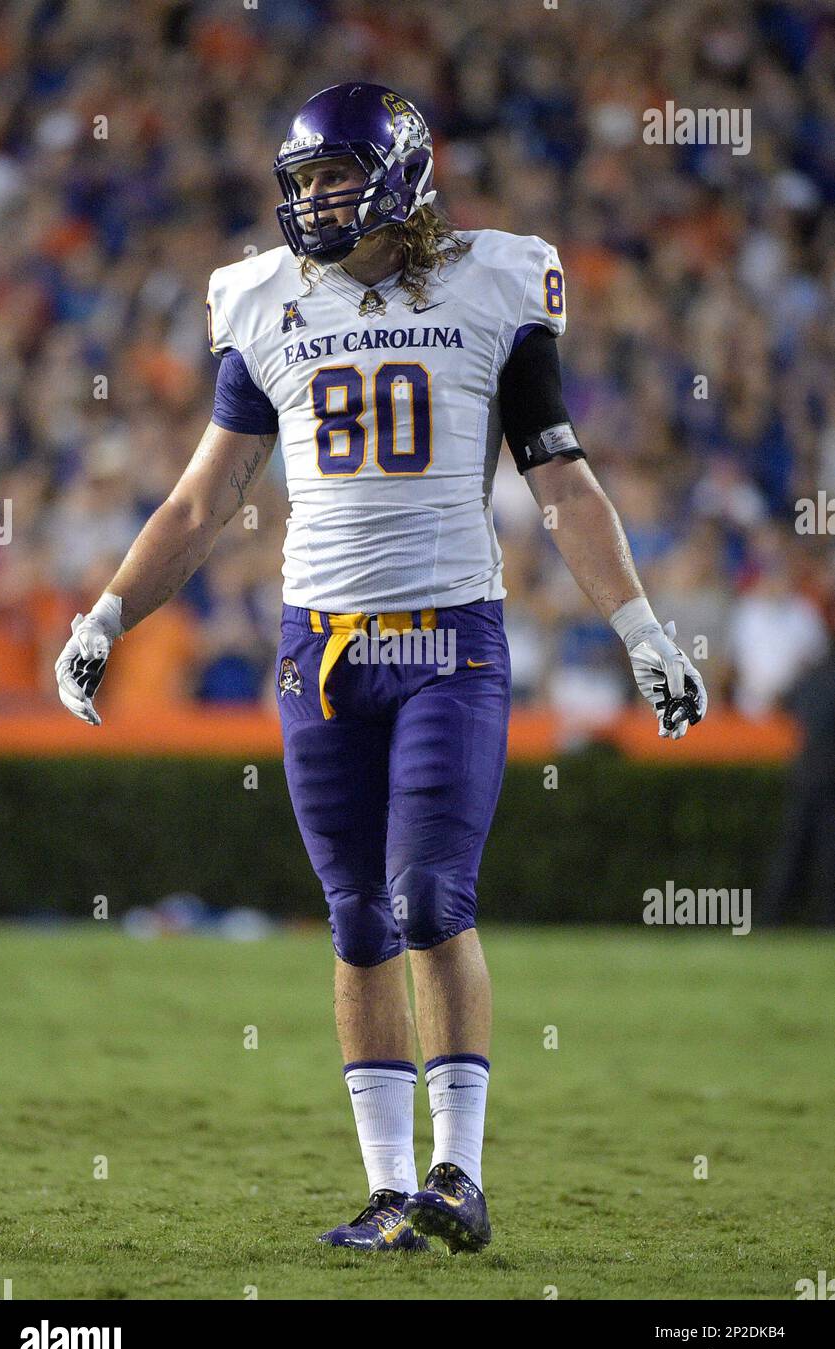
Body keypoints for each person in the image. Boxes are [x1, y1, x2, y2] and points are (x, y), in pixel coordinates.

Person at [55, 82, 707, 1254]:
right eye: (301, 182)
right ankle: (392, 1189)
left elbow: (559, 478)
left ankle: (459, 1170)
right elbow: (207, 497)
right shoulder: (262, 300)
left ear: (397, 175)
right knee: (356, 918)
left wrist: (644, 629)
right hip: (319, 648)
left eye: (334, 176)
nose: (313, 200)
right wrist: (107, 615)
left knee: (428, 900)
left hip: (447, 638)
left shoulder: (495, 281)